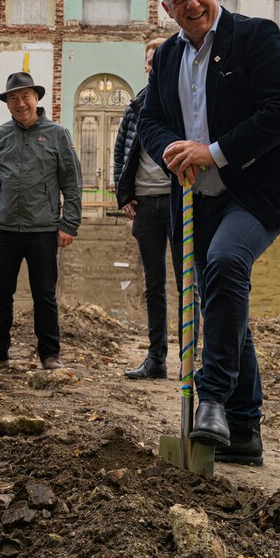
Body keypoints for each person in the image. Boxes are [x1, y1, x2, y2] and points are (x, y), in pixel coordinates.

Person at [138, 0, 280, 465]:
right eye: (178, 0)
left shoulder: (255, 37)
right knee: (220, 296)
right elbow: (150, 117)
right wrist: (172, 146)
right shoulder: (168, 56)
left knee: (227, 264)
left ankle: (211, 396)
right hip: (198, 197)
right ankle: (244, 430)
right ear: (167, 10)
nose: (191, 5)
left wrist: (211, 152)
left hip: (257, 190)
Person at [0, 72, 82, 371]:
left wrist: (69, 224)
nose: (20, 103)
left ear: (37, 98)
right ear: (7, 104)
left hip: (43, 230)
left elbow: (72, 183)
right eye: (14, 98)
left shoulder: (58, 134)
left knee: (44, 295)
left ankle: (49, 354)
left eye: (25, 96)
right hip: (5, 228)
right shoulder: (0, 135)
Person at [114, 38, 199, 380]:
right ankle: (156, 359)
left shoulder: (183, 104)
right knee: (153, 285)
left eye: (159, 61)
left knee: (186, 283)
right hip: (145, 205)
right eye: (150, 62)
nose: (154, 67)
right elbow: (121, 152)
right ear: (147, 66)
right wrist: (124, 194)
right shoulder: (135, 107)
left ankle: (189, 364)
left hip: (180, 203)